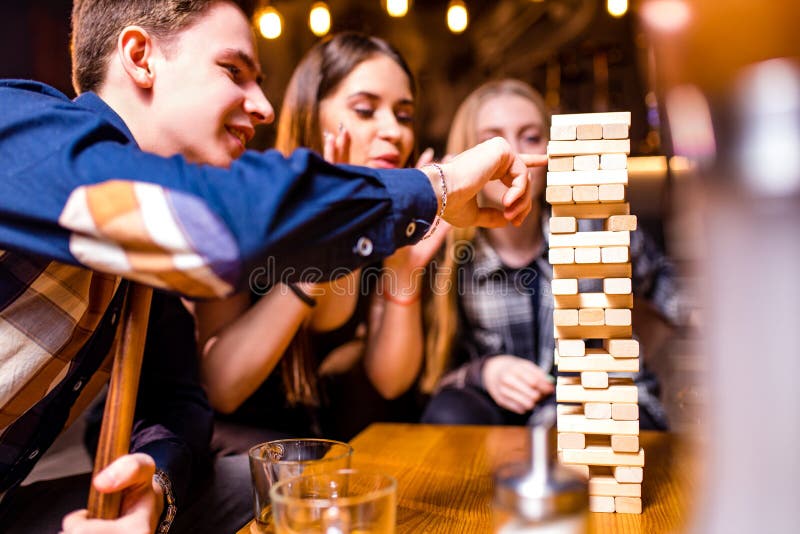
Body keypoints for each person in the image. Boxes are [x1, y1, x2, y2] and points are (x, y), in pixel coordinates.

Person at [0, 1, 541, 532]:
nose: (263, 106)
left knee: (288, 488)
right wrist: (433, 187)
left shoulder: (141, 269)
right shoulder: (18, 125)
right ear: (140, 56)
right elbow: (216, 221)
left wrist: (156, 487)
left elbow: (180, 405)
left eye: (403, 113)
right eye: (233, 71)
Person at [193, 32, 447, 451]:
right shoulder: (247, 205)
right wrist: (323, 243)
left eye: (404, 116)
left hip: (320, 461)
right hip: (231, 457)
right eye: (365, 110)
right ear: (311, 116)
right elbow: (222, 389)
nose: (393, 132)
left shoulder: (381, 223)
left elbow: (391, 381)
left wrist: (405, 270)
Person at [419, 79, 680, 429]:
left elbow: (671, 289)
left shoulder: (597, 226)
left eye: (530, 138)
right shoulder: (450, 253)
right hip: (503, 416)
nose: (512, 156)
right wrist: (485, 371)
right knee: (449, 413)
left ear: (552, 151)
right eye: (490, 143)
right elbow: (436, 371)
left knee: (570, 428)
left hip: (603, 406)